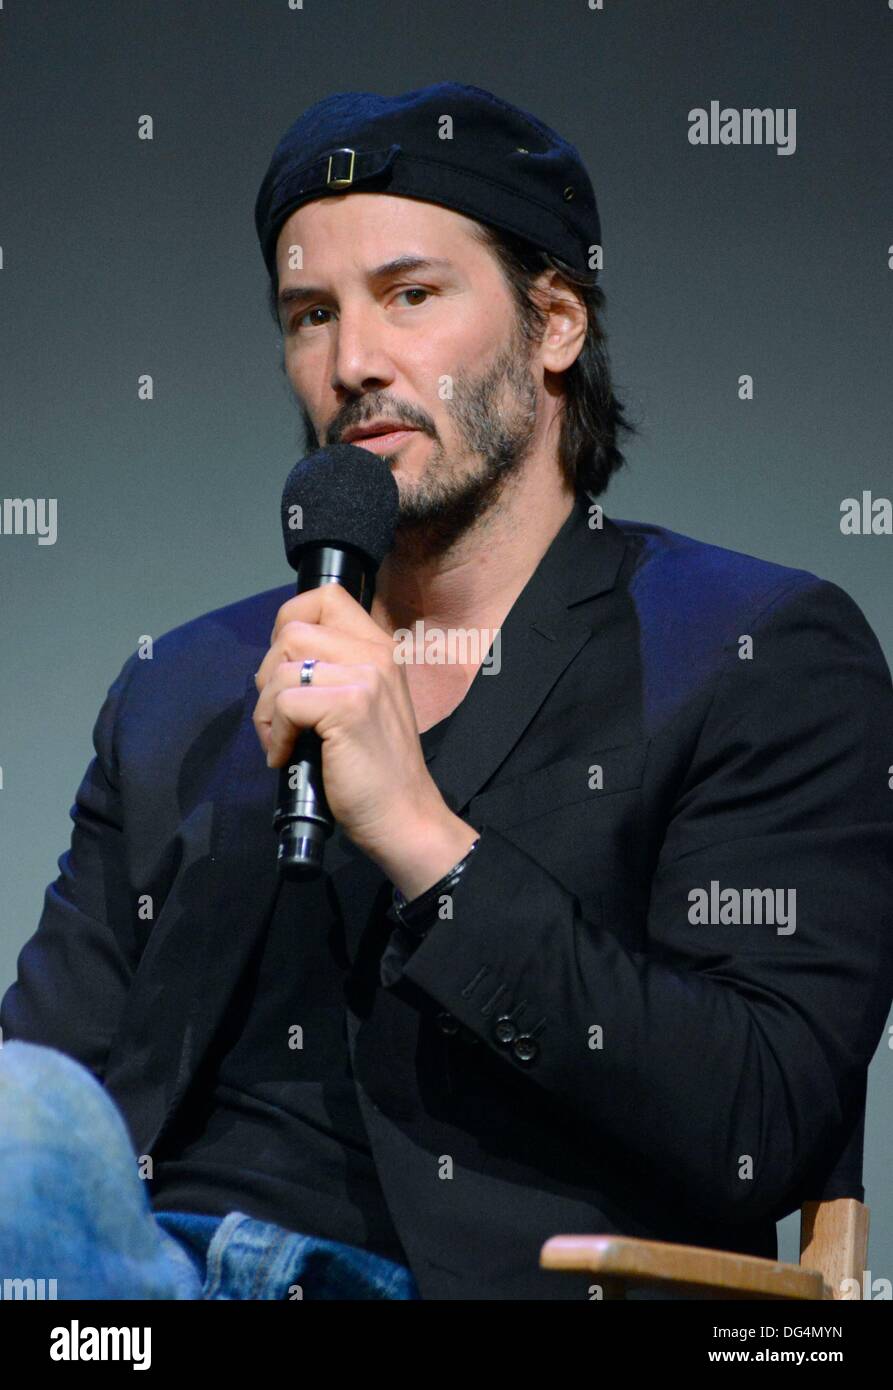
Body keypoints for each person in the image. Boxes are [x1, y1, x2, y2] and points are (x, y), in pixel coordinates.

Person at [2, 80, 892, 1301]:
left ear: (555, 323)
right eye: (308, 314)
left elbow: (763, 1116)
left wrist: (424, 840)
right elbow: (43, 1092)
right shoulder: (190, 687)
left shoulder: (752, 652)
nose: (352, 361)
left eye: (409, 296)